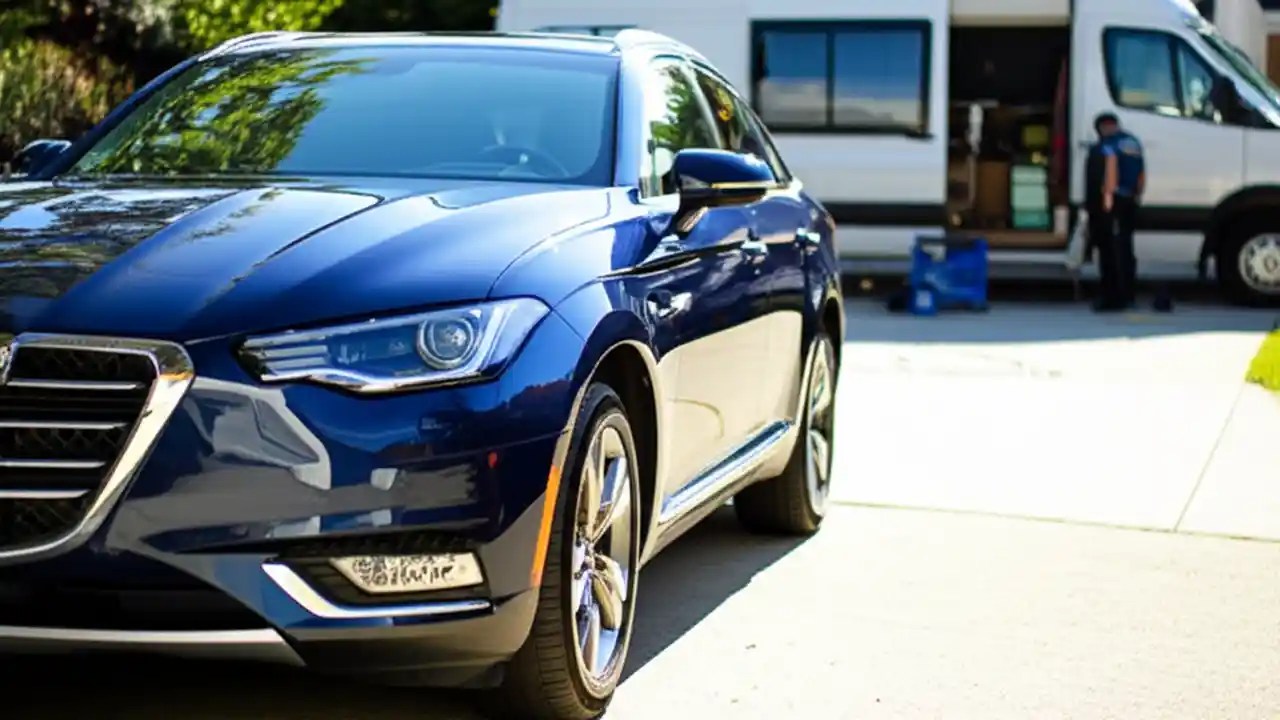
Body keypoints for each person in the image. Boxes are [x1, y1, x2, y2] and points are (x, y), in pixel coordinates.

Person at [1089, 112, 1146, 312]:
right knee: (1126, 248)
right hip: (1130, 199)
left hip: (1114, 201)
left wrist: (1107, 197)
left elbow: (1111, 167)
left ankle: (1113, 297)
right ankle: (1129, 294)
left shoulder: (1109, 145)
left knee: (1111, 250)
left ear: (1104, 127)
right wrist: (1137, 195)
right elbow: (1141, 174)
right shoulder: (1133, 142)